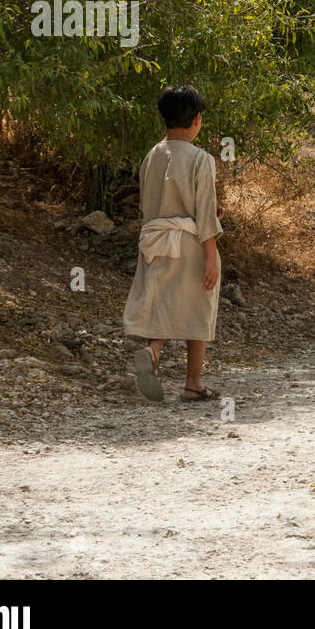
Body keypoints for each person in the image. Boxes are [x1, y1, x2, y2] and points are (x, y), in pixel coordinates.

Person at [122, 86, 223, 402]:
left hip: (154, 239)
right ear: (196, 120)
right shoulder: (200, 159)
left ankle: (152, 351)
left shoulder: (152, 156)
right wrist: (211, 254)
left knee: (164, 299)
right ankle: (193, 384)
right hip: (191, 241)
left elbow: (153, 204)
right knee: (199, 306)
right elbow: (204, 210)